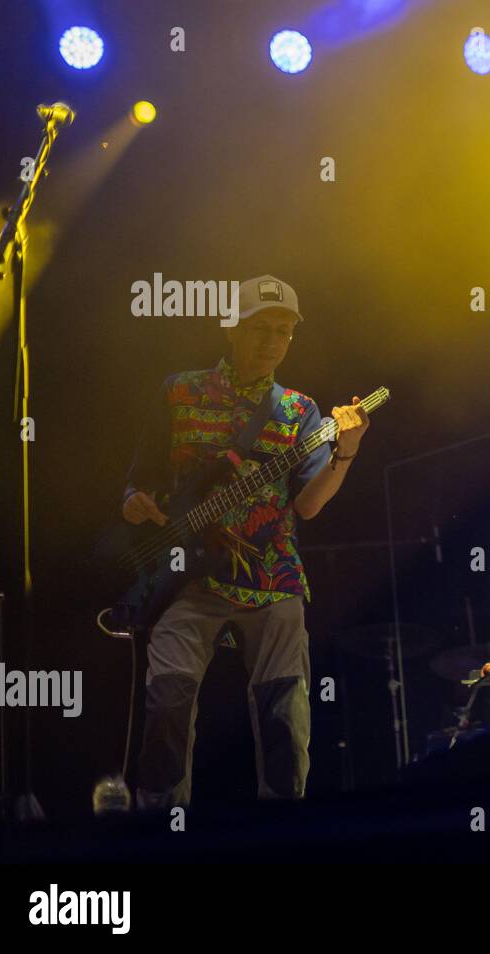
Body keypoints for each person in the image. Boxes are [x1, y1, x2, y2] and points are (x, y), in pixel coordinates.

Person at [122, 275, 370, 807]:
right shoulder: (179, 391)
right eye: (261, 327)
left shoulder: (299, 409)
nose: (272, 341)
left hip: (272, 575)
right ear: (231, 327)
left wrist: (345, 452)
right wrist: (134, 502)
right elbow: (136, 479)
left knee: (285, 714)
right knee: (166, 702)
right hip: (185, 578)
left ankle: (281, 832)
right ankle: (160, 827)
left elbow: (307, 504)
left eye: (284, 331)